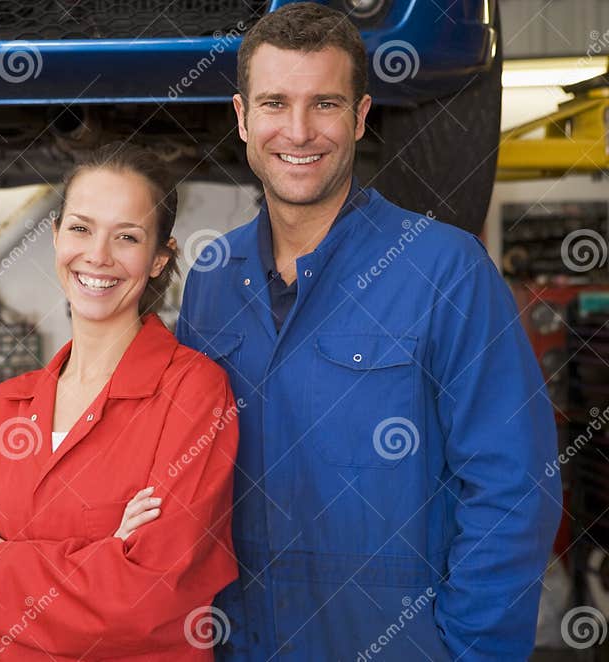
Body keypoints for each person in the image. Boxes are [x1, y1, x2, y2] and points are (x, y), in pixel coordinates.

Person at [173, 4, 562, 661]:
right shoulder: (212, 280)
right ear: (242, 118)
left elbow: (515, 492)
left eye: (325, 103)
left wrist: (467, 651)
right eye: (275, 103)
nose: (298, 131)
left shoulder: (444, 269)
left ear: (359, 116)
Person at [0, 142, 240, 661]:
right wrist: (102, 559)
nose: (98, 256)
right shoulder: (9, 406)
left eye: (128, 237)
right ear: (55, 237)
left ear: (160, 258)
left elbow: (152, 600)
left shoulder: (193, 393)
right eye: (81, 228)